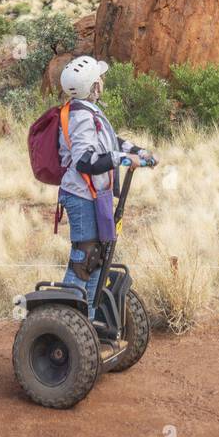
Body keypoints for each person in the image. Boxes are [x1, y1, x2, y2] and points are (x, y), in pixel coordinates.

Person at [57, 55, 157, 315]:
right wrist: (125, 159)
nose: (102, 81)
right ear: (93, 86)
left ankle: (86, 323)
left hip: (93, 195)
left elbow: (111, 140)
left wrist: (139, 152)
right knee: (85, 259)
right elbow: (84, 160)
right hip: (80, 196)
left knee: (97, 257)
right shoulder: (79, 116)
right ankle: (70, 324)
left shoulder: (88, 110)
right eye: (99, 79)